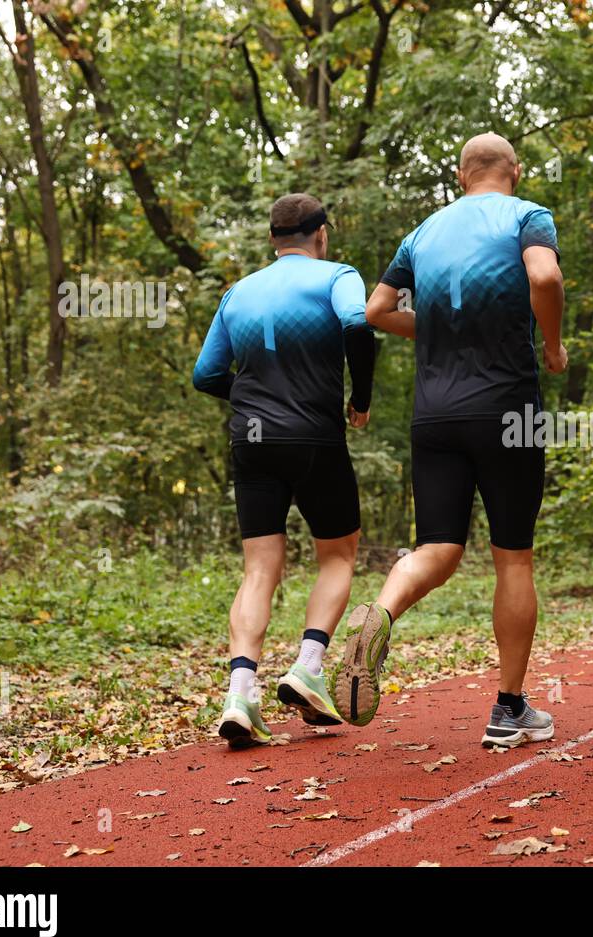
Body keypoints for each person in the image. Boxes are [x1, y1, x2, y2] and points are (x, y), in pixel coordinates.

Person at [342, 132, 567, 748]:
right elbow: (544, 277)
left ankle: (380, 614)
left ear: (460, 174)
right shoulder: (527, 216)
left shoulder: (423, 232)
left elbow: (376, 311)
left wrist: (438, 332)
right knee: (512, 555)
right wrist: (550, 345)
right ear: (513, 171)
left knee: (438, 549)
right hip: (508, 409)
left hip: (435, 414)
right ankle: (509, 708)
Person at [192, 193, 376, 746]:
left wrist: (250, 397)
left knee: (258, 569)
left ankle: (240, 693)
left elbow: (206, 374)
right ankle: (308, 666)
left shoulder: (237, 292)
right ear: (321, 234)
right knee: (339, 553)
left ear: (274, 239)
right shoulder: (336, 275)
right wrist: (359, 399)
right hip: (315, 436)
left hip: (251, 441)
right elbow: (357, 326)